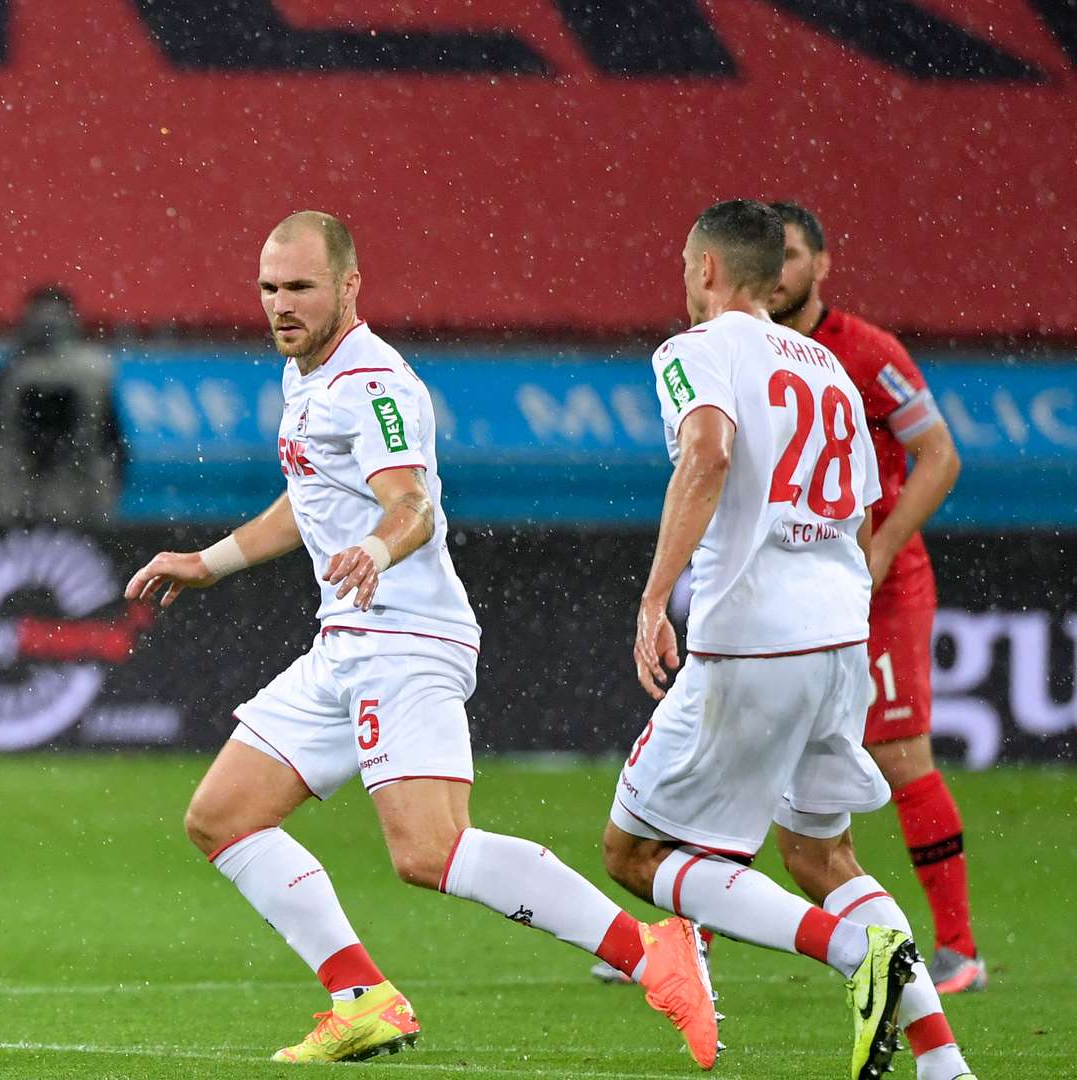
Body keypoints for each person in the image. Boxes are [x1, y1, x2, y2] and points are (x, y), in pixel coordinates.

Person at [124, 211, 719, 1067]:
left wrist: (375, 544)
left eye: (301, 287)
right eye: (269, 288)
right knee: (222, 818)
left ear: (350, 286)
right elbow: (312, 497)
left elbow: (411, 503)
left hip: (404, 637)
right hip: (347, 640)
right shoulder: (308, 377)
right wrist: (209, 562)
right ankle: (361, 998)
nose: (281, 305)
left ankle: (649, 952)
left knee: (430, 850)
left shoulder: (373, 385)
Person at [600, 199, 974, 1080]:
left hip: (753, 638)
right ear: (777, 275)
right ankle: (943, 1063)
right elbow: (852, 505)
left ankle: (856, 957)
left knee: (637, 853)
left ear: (704, 271)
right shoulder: (828, 365)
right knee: (819, 852)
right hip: (840, 635)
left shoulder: (696, 350)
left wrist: (658, 595)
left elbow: (708, 452)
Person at [769, 201, 982, 992]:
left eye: (792, 254)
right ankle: (698, 935)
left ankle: (958, 951)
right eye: (770, 254)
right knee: (744, 748)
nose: (780, 268)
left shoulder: (867, 353)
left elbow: (939, 455)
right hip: (791, 585)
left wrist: (885, 547)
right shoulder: (752, 350)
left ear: (822, 264)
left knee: (899, 758)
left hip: (878, 589)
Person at [0, 285, 126, 524]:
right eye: (42, 319)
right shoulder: (9, 374)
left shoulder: (10, 373)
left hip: (70, 489)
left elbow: (112, 442)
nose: (47, 327)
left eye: (53, 319)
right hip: (24, 490)